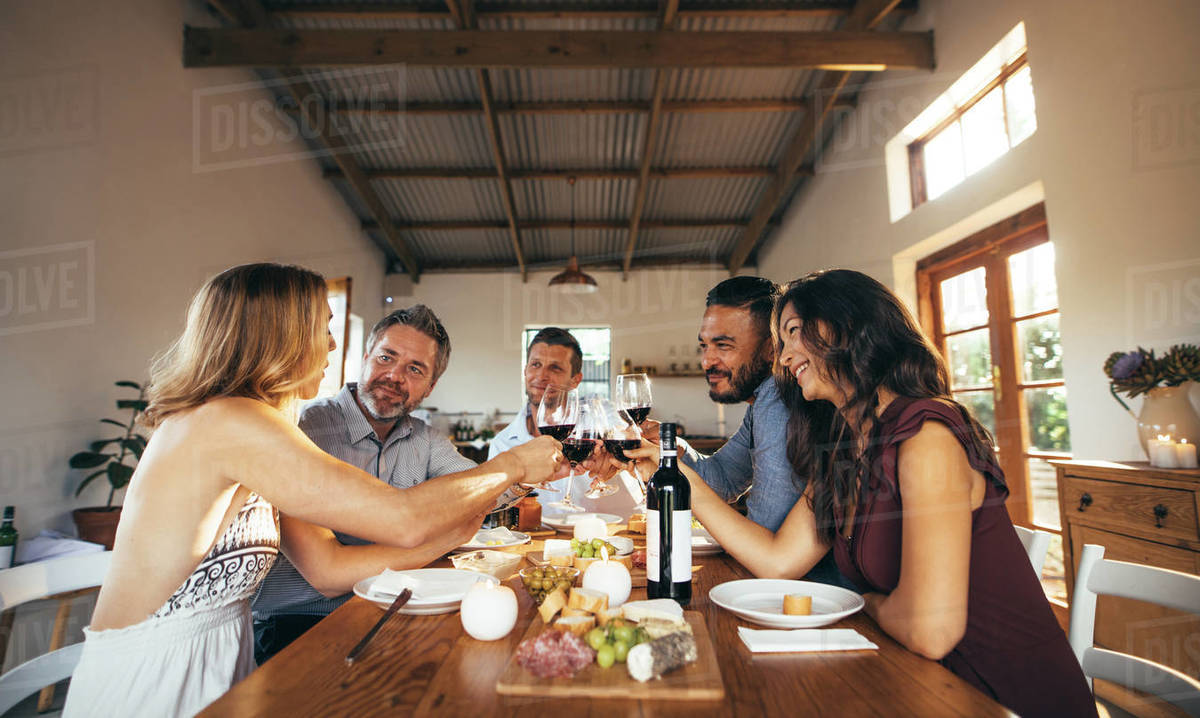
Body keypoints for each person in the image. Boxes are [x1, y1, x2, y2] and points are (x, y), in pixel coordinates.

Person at [62, 264, 563, 718]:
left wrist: (463, 520)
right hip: (156, 682)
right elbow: (403, 518)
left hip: (225, 671)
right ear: (276, 334)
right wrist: (512, 464)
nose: (329, 345)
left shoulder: (262, 427)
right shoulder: (229, 422)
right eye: (322, 327)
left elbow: (328, 567)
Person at [631, 269, 1096, 718]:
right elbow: (777, 561)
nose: (786, 356)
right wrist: (671, 470)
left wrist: (863, 601)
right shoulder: (847, 446)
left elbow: (931, 631)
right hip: (912, 677)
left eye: (794, 333)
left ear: (842, 331)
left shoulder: (927, 436)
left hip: (993, 693)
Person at [251, 304, 485, 662]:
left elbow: (478, 486)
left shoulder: (424, 438)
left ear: (431, 385)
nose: (393, 376)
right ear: (366, 356)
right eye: (386, 357)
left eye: (414, 369)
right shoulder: (304, 430)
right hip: (298, 623)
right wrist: (449, 532)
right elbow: (325, 574)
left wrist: (534, 472)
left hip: (393, 610)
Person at [638, 276, 844, 586]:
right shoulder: (762, 403)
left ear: (771, 349)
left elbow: (766, 538)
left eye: (723, 345)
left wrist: (673, 471)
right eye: (704, 346)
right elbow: (724, 480)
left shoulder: (777, 399)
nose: (707, 361)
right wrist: (674, 450)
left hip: (808, 602)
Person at [489, 327, 641, 518]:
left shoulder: (599, 410)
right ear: (525, 370)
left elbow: (624, 431)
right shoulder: (502, 443)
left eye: (555, 368)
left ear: (575, 380)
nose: (541, 375)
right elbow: (490, 505)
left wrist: (609, 452)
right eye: (535, 364)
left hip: (616, 535)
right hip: (542, 540)